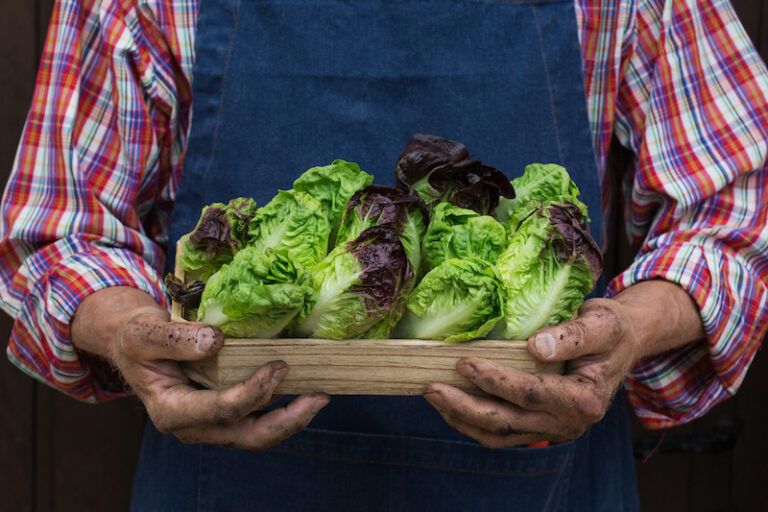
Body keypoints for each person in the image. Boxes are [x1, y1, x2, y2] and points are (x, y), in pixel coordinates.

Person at [1, 0, 766, 510]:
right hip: (228, 482)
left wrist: (627, 327)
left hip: (540, 482)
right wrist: (129, 326)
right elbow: (62, 232)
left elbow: (738, 215)